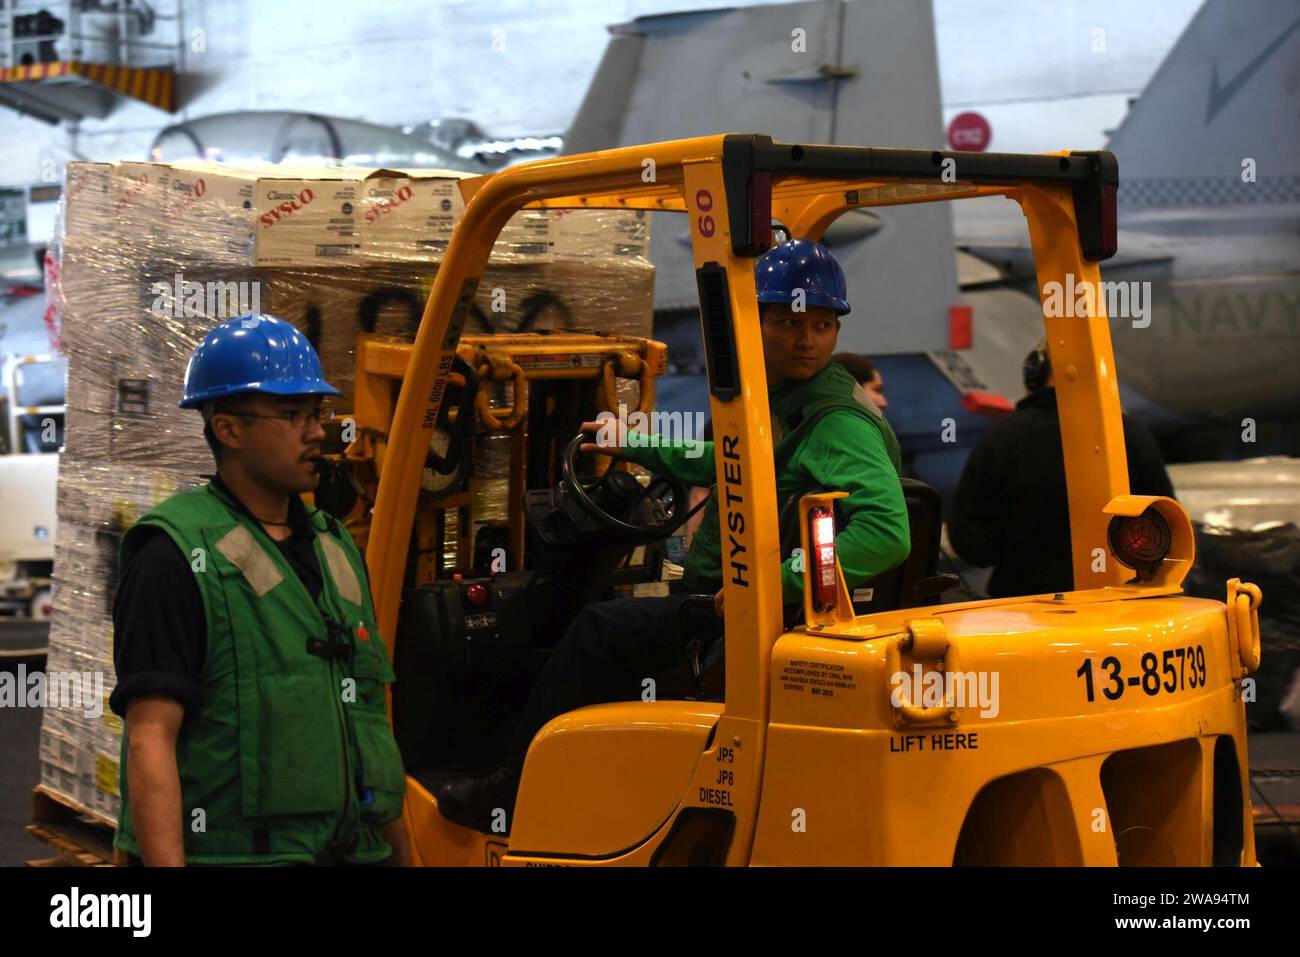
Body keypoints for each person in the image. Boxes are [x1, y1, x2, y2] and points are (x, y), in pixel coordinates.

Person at [437, 239, 911, 832]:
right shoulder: (791, 400)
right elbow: (727, 458)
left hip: (747, 615)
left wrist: (767, 585)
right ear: (754, 320)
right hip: (736, 603)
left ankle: (513, 791)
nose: (807, 340)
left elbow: (888, 533)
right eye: (790, 323)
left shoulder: (834, 418)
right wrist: (633, 440)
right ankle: (588, 789)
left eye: (821, 325)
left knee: (596, 628)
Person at [109, 314, 410, 866]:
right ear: (228, 429)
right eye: (293, 414)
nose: (317, 431)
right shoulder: (173, 555)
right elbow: (150, 740)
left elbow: (368, 719)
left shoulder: (335, 547)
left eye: (316, 413)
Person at [949, 340, 1176, 598]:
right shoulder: (1131, 434)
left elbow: (969, 542)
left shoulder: (1001, 437)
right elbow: (1169, 530)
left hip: (1021, 608)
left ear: (1036, 372)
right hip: (1119, 608)